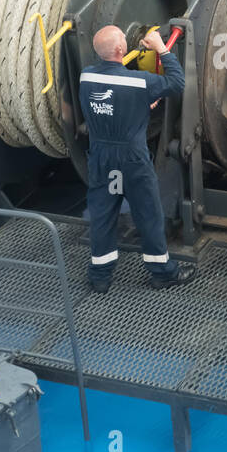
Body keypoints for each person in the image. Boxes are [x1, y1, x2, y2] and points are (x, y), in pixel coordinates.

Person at [78, 25, 194, 294]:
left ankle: (100, 276)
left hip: (101, 158)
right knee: (148, 214)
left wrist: (139, 102)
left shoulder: (86, 77)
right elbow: (177, 83)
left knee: (103, 214)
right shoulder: (141, 82)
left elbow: (113, 99)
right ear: (120, 50)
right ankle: (162, 273)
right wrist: (161, 48)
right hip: (131, 160)